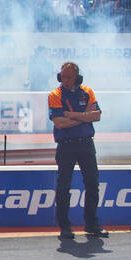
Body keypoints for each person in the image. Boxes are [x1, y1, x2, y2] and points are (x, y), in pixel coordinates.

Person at [48, 62, 107, 240]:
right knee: (63, 186)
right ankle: (64, 226)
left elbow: (96, 115)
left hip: (86, 144)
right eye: (62, 76)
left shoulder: (87, 91)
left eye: (69, 77)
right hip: (66, 145)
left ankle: (91, 223)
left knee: (92, 184)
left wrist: (72, 115)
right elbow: (59, 122)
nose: (65, 80)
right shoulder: (54, 95)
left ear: (77, 78)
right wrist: (84, 117)